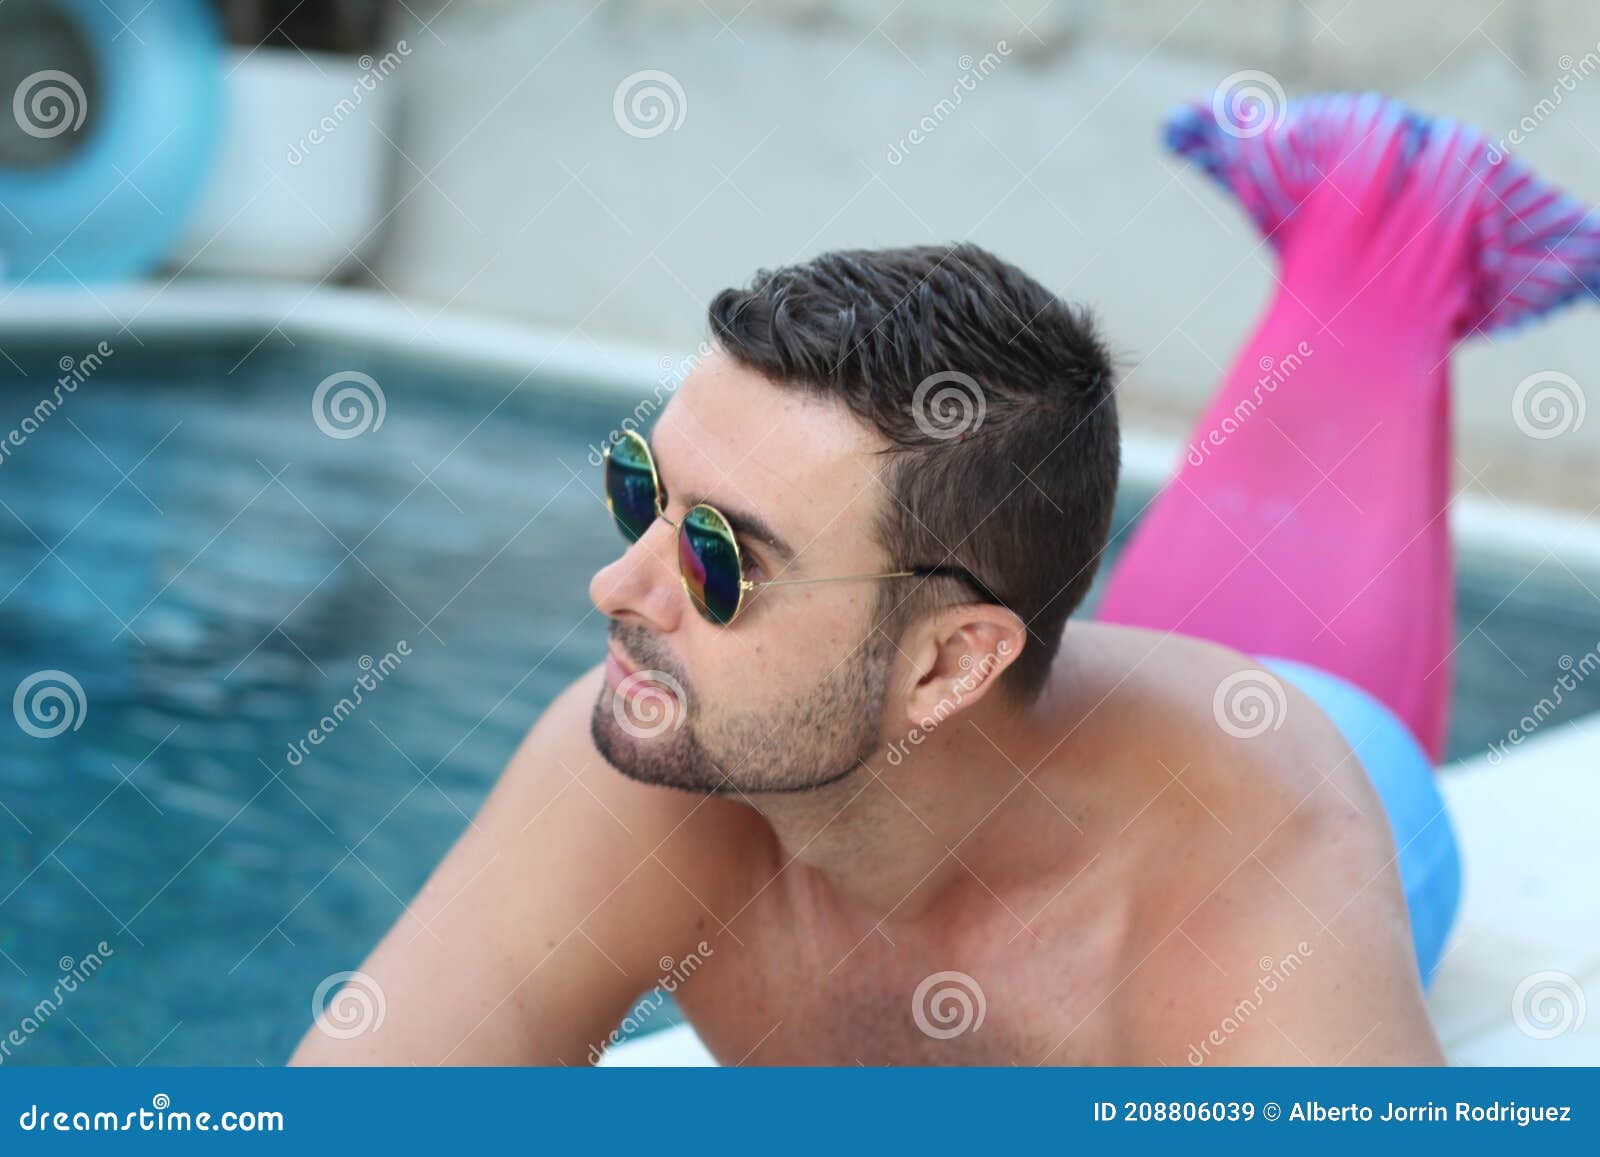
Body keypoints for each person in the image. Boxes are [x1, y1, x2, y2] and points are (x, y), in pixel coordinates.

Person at [291, 93, 1598, 1066]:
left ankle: (1398, 222)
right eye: (644, 492)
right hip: (1026, 685)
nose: (614, 586)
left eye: (721, 557)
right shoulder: (652, 750)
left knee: (1322, 592)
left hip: (1347, 765)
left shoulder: (1248, 878)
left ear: (944, 663)